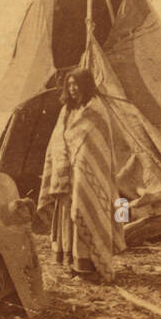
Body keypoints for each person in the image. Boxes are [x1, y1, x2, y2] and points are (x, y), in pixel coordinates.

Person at [37, 67, 123, 280]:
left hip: (86, 177)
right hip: (67, 177)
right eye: (70, 85)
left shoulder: (97, 111)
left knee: (87, 211)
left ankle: (89, 267)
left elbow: (96, 149)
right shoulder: (67, 110)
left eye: (77, 84)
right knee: (69, 219)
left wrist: (82, 169)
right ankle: (73, 264)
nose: (73, 89)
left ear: (86, 85)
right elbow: (58, 140)